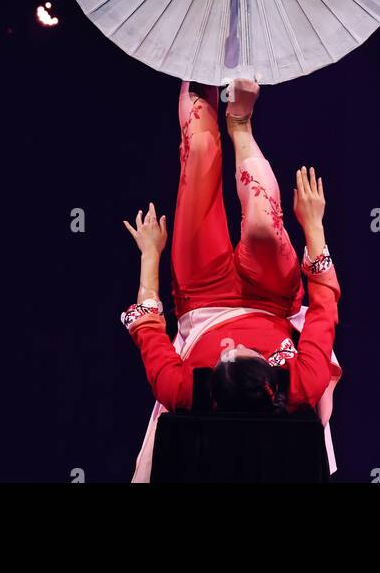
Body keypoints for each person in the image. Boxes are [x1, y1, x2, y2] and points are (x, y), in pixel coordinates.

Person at [121, 78, 341, 481]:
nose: (232, 347)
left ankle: (197, 65)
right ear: (268, 378)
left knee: (199, 150)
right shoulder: (299, 385)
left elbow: (149, 329)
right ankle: (240, 123)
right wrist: (314, 227)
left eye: (224, 356)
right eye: (242, 353)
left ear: (213, 385)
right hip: (271, 299)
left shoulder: (184, 391)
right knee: (262, 224)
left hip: (201, 297)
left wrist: (150, 255)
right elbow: (324, 306)